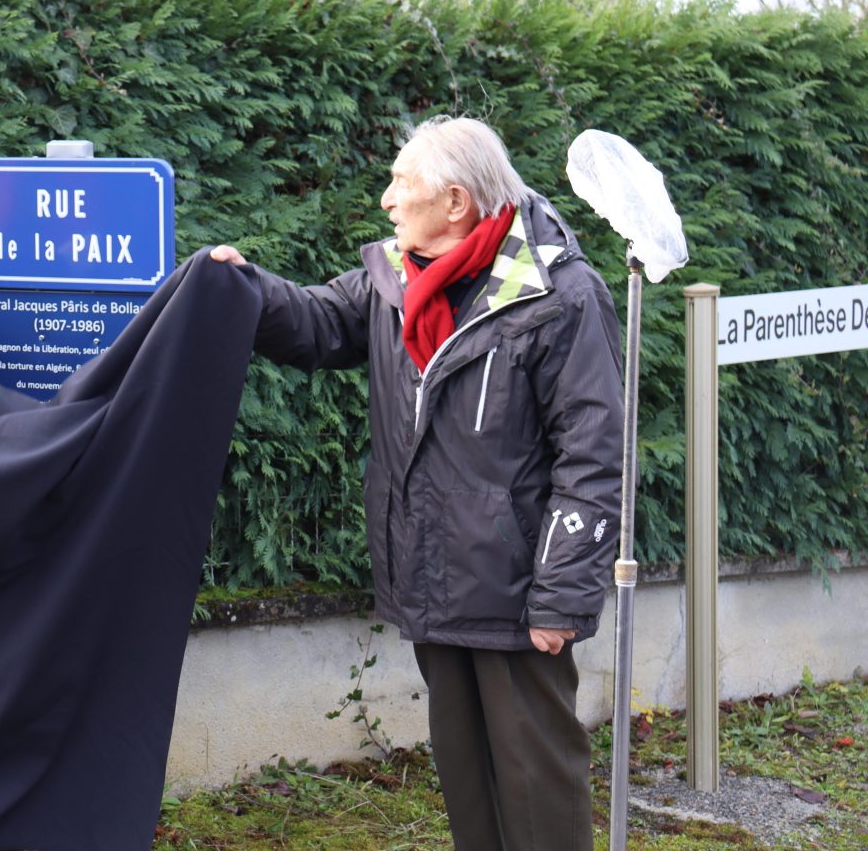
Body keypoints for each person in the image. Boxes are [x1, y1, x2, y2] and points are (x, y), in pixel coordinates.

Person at [212, 116, 623, 851]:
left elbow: (592, 457)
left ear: (456, 202)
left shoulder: (560, 295)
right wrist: (245, 288)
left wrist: (561, 597)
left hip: (517, 597)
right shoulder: (397, 281)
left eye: (402, 183)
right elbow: (317, 322)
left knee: (537, 789)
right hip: (435, 583)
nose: (386, 200)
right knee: (467, 781)